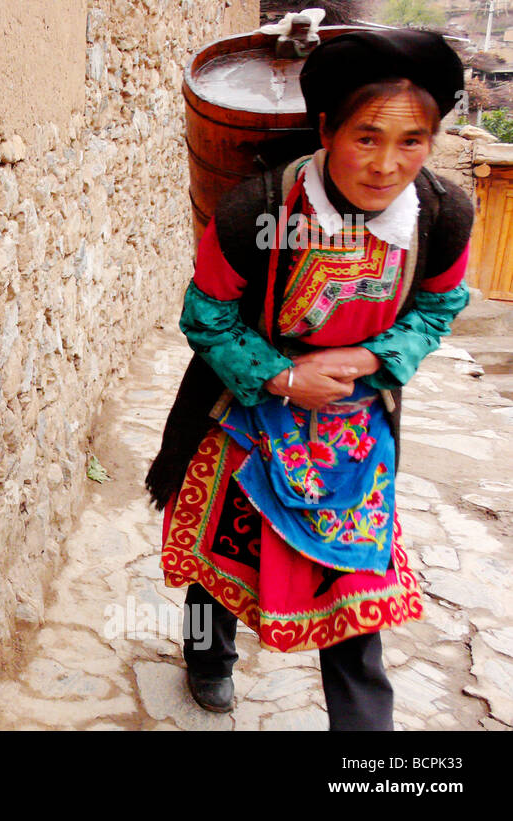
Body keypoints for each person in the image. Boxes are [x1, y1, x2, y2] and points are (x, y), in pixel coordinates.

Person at [144, 29, 474, 731]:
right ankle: (209, 660)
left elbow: (443, 303)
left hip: (357, 429)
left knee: (357, 589)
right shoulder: (256, 213)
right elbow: (206, 316)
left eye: (412, 141)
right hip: (246, 408)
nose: (388, 165)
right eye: (366, 138)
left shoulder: (442, 216)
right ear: (326, 129)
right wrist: (284, 376)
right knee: (221, 558)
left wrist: (374, 357)